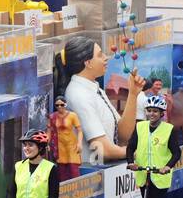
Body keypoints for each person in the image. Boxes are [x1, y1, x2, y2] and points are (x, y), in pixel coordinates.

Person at [55, 34, 144, 165]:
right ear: (88, 63)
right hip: (91, 175)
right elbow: (103, 150)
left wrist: (133, 94)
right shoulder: (78, 95)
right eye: (100, 55)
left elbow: (123, 135)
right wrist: (133, 152)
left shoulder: (94, 89)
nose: (105, 58)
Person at [126, 92, 181, 198]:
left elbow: (176, 153)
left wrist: (167, 166)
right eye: (149, 110)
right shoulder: (140, 127)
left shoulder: (168, 129)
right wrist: (131, 162)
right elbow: (130, 147)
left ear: (162, 113)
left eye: (155, 111)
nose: (151, 114)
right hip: (144, 175)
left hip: (159, 177)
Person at [49, 96, 83, 181]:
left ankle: (76, 191)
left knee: (73, 168)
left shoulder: (72, 115)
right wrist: (46, 143)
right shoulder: (52, 116)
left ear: (65, 104)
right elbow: (49, 131)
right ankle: (62, 191)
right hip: (60, 146)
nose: (60, 107)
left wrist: (79, 143)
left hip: (71, 145)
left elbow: (79, 130)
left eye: (62, 105)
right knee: (61, 170)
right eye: (57, 105)